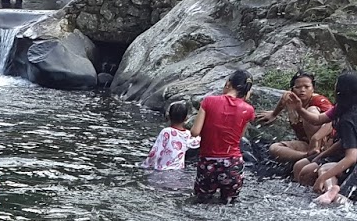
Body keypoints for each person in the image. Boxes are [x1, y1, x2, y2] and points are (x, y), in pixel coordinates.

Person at [293, 71, 357, 205]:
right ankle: (329, 193)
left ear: (340, 90)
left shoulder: (350, 118)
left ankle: (334, 197)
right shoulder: (348, 107)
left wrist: (322, 179)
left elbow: (351, 157)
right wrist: (299, 108)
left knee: (341, 201)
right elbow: (319, 119)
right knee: (323, 168)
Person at [190, 70, 257, 204]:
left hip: (208, 163)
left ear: (228, 83)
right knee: (228, 204)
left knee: (201, 203)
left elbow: (195, 132)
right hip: (233, 165)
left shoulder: (208, 101)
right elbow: (240, 137)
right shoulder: (248, 110)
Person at [257, 72, 334, 166]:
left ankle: (318, 152)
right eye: (298, 87)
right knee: (274, 148)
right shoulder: (291, 99)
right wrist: (274, 114)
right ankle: (307, 156)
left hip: (326, 143)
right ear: (292, 89)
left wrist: (316, 138)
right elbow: (283, 100)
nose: (302, 90)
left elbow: (332, 120)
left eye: (306, 87)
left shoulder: (319, 100)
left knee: (310, 111)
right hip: (306, 144)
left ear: (313, 88)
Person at [142, 101, 198, 172]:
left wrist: (146, 165)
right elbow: (197, 142)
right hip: (178, 170)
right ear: (186, 118)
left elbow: (155, 152)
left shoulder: (166, 132)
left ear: (168, 117)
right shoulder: (188, 134)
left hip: (162, 169)